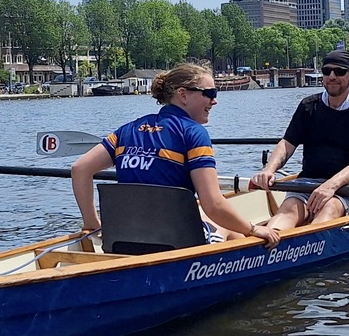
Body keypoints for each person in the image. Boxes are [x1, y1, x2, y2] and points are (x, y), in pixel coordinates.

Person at [71, 63, 279, 250]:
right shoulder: (193, 133)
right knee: (233, 230)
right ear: (183, 95)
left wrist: (92, 223)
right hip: (176, 243)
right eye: (209, 93)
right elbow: (214, 205)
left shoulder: (126, 131)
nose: (214, 101)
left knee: (210, 218)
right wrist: (253, 230)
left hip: (122, 240)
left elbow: (80, 169)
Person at [252, 49, 349, 230]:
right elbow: (286, 145)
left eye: (339, 72)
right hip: (308, 182)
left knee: (329, 208)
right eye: (327, 71)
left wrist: (330, 186)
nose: (332, 76)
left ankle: (307, 244)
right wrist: (269, 169)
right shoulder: (308, 106)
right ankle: (269, 243)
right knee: (288, 210)